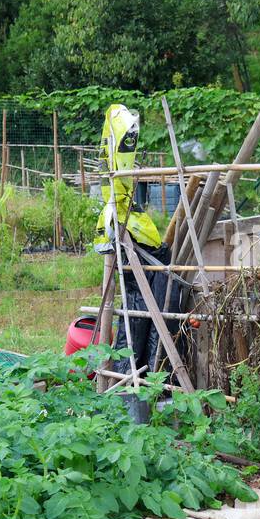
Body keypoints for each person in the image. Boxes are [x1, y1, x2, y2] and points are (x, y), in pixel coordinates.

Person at [93, 104, 178, 372]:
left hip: (134, 237)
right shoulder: (118, 205)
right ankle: (128, 373)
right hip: (129, 244)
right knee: (136, 309)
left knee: (144, 309)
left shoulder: (129, 209)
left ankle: (139, 373)